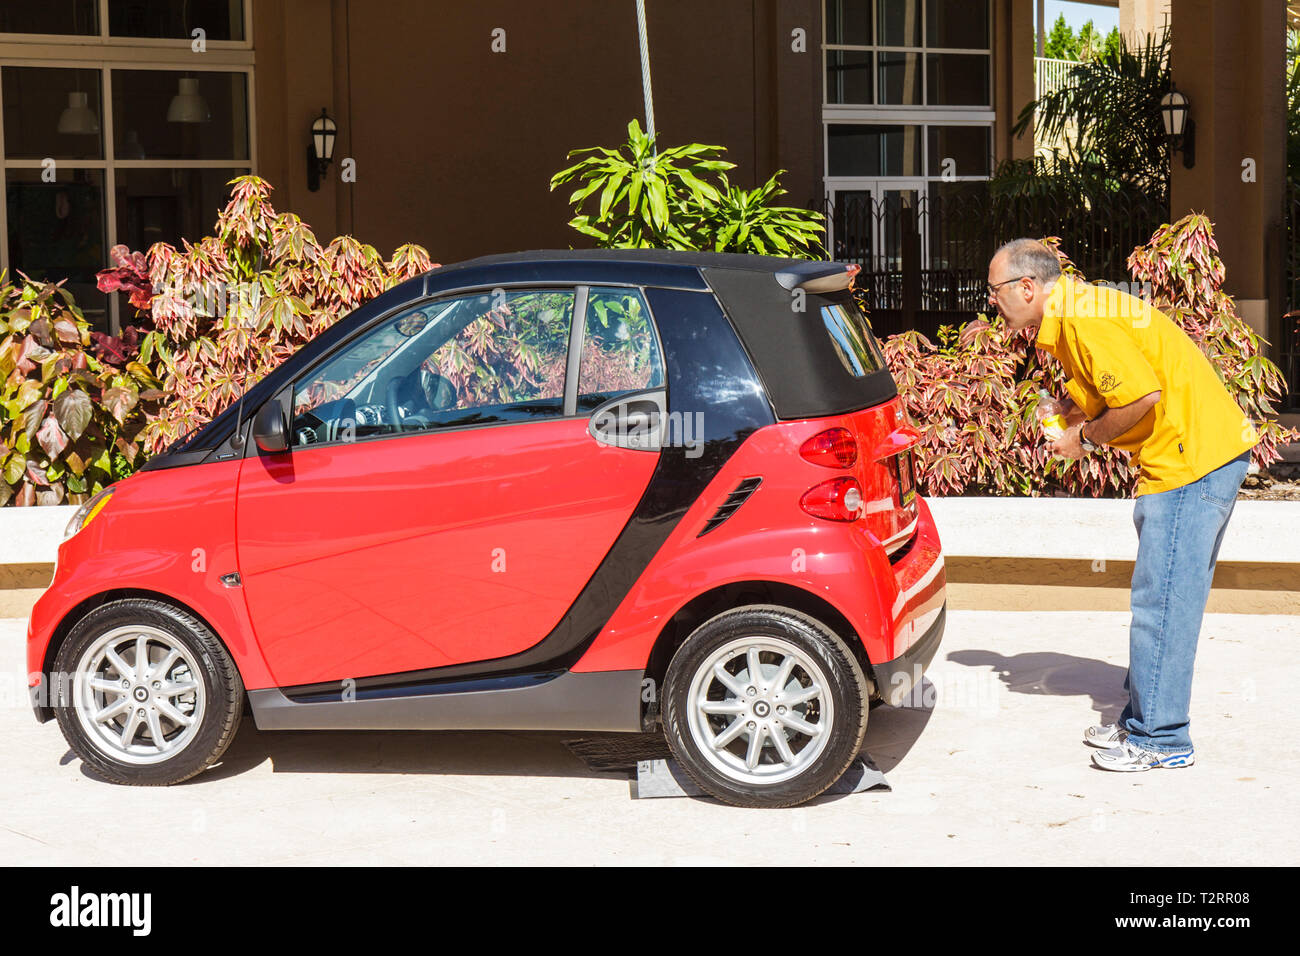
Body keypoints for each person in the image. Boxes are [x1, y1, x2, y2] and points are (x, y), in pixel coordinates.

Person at [986, 238, 1257, 771]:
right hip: (1191, 456)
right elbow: (1115, 383)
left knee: (1163, 605)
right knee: (1162, 600)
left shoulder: (1084, 318)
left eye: (995, 289)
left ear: (1026, 286)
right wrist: (1067, 407)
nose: (991, 300)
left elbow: (1141, 397)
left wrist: (1082, 439)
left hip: (1191, 462)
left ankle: (1162, 741)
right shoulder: (1076, 313)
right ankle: (1142, 723)